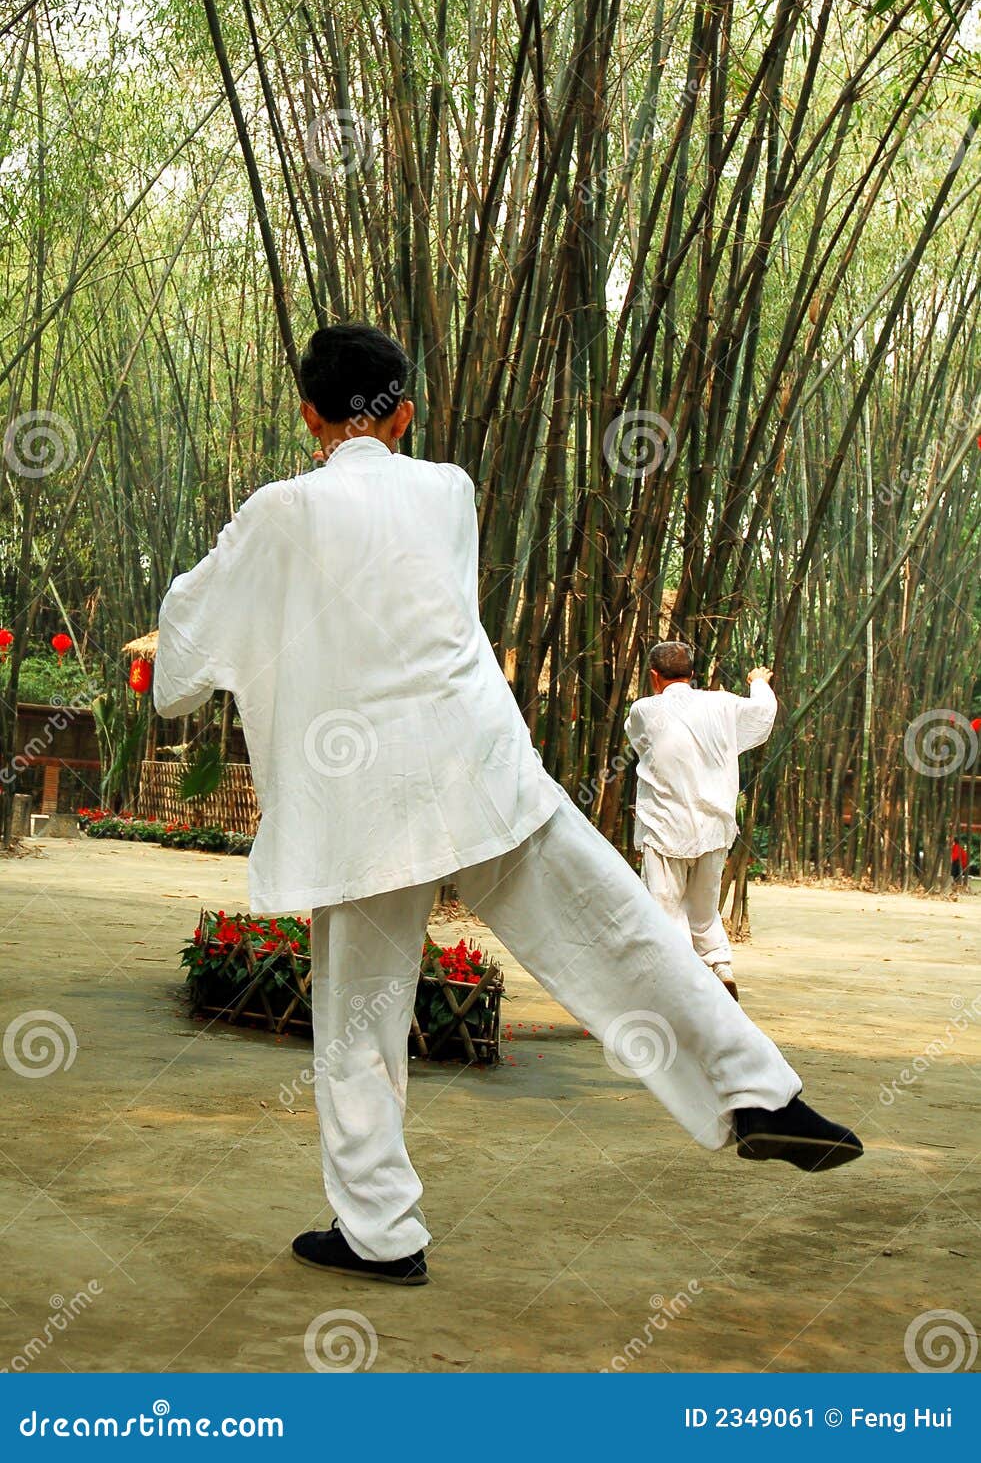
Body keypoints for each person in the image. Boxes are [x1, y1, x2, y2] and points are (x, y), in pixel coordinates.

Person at [153, 323, 863, 1290]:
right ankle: (760, 1091)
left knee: (359, 1019)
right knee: (619, 927)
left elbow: (193, 628)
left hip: (364, 803)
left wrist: (174, 656)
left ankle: (381, 1235)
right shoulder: (451, 492)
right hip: (480, 764)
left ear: (309, 416)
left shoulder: (281, 512)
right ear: (405, 412)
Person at [626, 642, 777, 1003]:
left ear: (653, 677)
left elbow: (641, 743)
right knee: (704, 909)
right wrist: (759, 681)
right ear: (693, 675)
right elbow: (762, 712)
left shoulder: (645, 709)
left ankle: (682, 982)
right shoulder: (722, 704)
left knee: (665, 905)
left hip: (665, 825)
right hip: (713, 826)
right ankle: (720, 966)